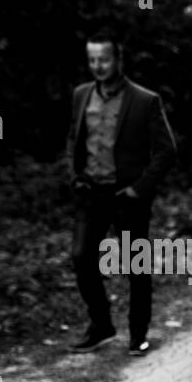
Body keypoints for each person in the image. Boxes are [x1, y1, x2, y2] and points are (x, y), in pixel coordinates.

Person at [66, 30, 177, 356]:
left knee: (135, 267)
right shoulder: (81, 94)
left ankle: (138, 334)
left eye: (104, 59)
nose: (98, 66)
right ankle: (101, 325)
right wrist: (74, 175)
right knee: (81, 257)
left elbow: (166, 151)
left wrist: (139, 189)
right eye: (92, 60)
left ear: (118, 59)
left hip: (127, 196)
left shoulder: (144, 100)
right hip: (91, 193)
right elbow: (74, 137)